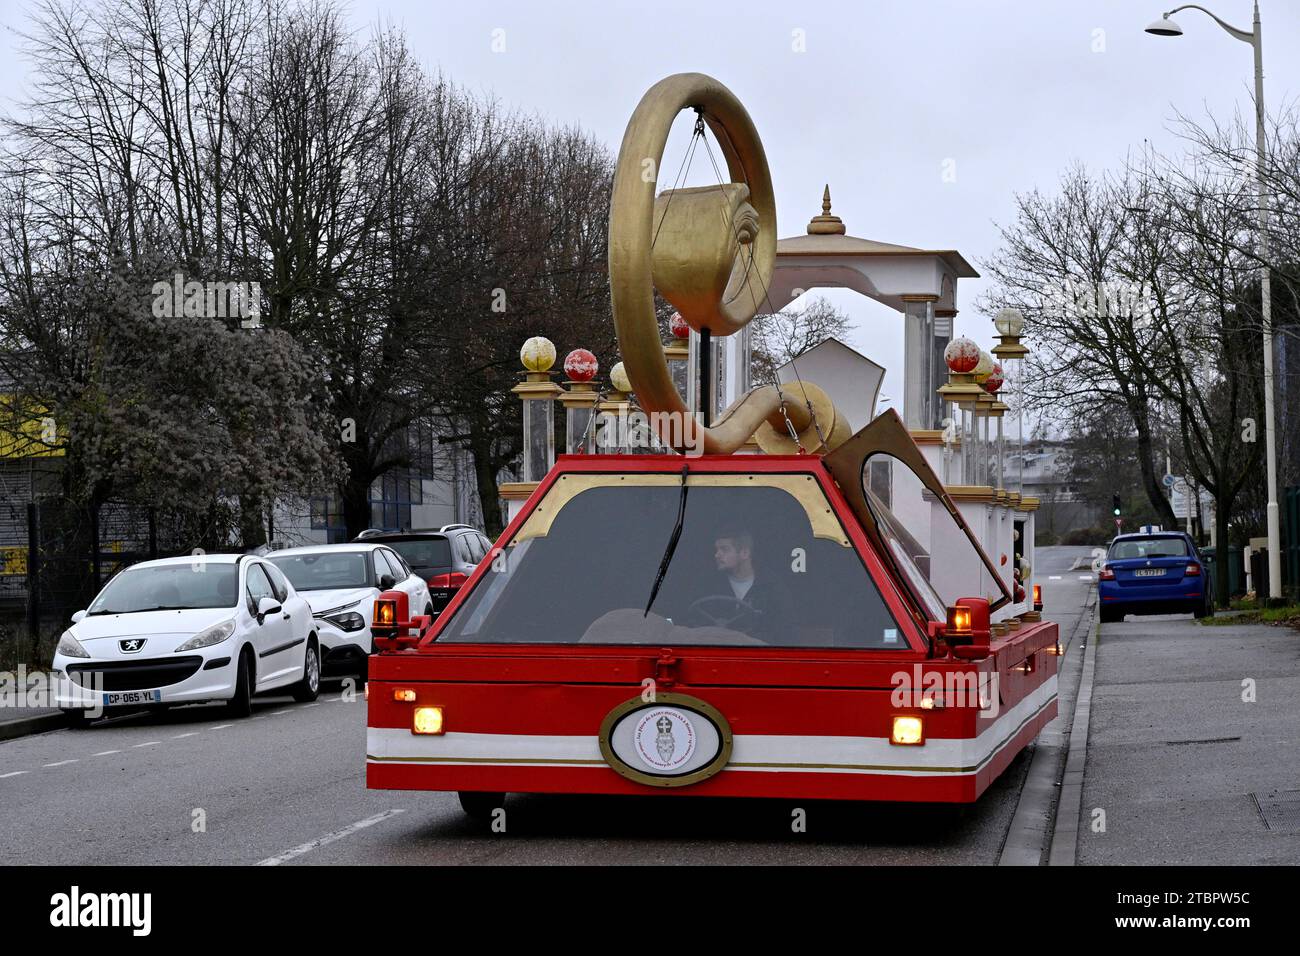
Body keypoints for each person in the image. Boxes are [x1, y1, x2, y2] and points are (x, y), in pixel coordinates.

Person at [698, 530, 790, 640]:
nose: (717, 555)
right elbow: (696, 624)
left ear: (745, 553)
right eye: (717, 550)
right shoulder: (710, 586)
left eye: (724, 549)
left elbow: (785, 630)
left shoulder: (771, 587)